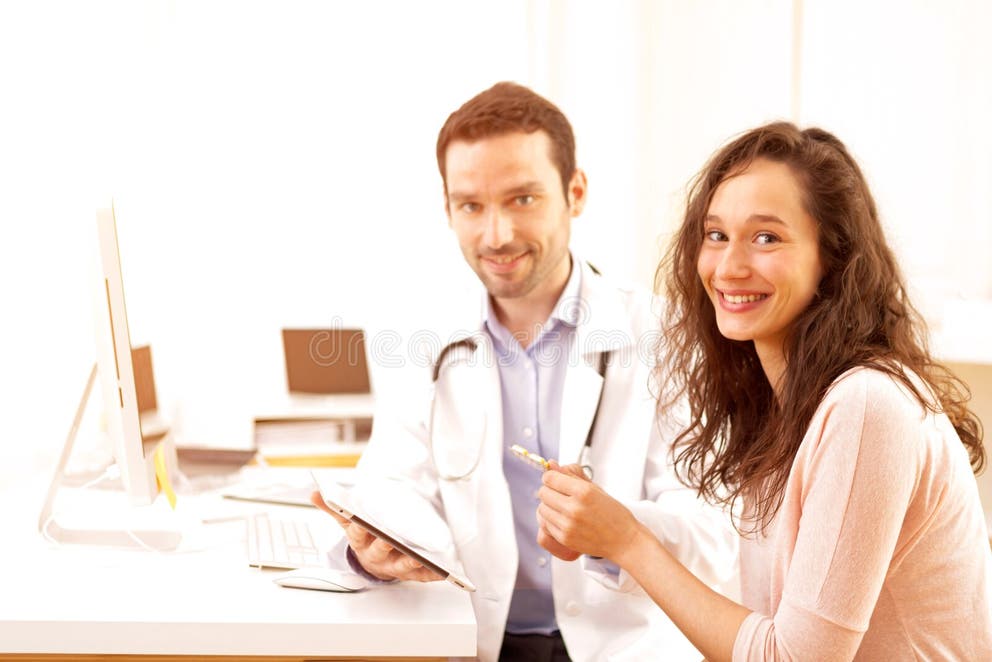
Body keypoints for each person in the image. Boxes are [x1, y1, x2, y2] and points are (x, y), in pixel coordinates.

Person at [310, 81, 738, 661]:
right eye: (471, 205)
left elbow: (714, 534)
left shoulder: (663, 334)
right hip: (475, 638)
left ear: (575, 191)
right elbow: (394, 483)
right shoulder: (423, 341)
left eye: (522, 199)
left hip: (620, 643)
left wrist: (617, 531)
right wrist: (378, 546)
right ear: (448, 209)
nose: (497, 235)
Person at [536, 121, 992, 660]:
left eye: (767, 237)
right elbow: (752, 602)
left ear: (833, 256)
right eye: (716, 235)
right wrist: (611, 527)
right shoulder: (783, 408)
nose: (729, 267)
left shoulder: (867, 405)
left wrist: (626, 541)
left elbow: (792, 657)